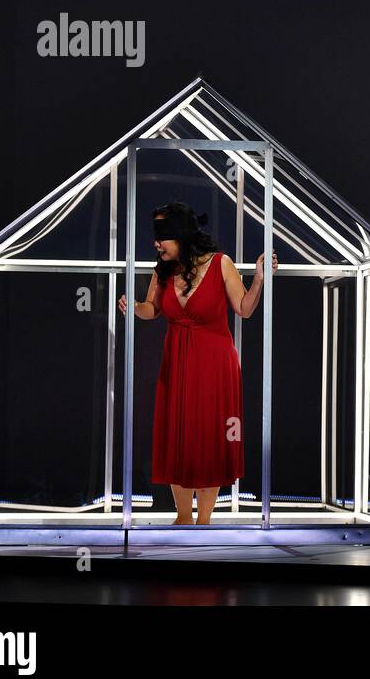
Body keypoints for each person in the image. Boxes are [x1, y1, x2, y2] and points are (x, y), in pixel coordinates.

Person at [118, 201, 276, 526]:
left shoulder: (221, 264)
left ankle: (204, 519)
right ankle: (183, 516)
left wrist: (259, 280)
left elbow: (244, 309)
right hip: (176, 363)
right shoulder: (163, 271)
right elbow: (152, 308)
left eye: (163, 235)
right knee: (178, 434)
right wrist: (134, 307)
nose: (156, 243)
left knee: (210, 436)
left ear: (181, 234)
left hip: (215, 364)